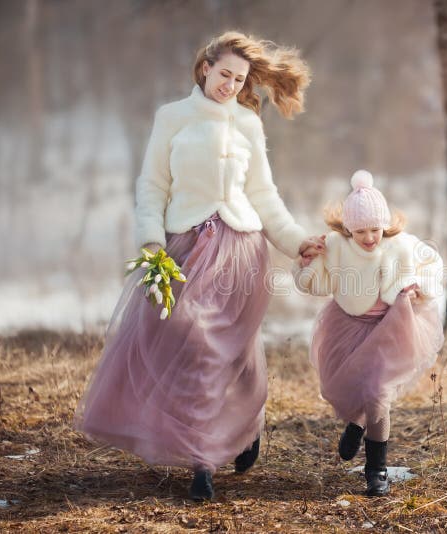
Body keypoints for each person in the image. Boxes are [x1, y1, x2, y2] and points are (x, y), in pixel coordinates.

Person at [73, 30, 323, 502]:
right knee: (195, 343)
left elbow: (264, 195)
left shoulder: (248, 123)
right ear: (206, 68)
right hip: (184, 249)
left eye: (239, 79)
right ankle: (208, 448)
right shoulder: (172, 117)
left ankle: (217, 450)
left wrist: (295, 242)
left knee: (234, 348)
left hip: (242, 250)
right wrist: (152, 242)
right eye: (224, 74)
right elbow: (152, 186)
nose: (230, 85)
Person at [293, 170, 445, 496]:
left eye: (375, 229)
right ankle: (356, 422)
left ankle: (376, 469)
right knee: (341, 387)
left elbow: (432, 264)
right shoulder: (336, 246)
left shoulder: (401, 243)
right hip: (347, 325)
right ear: (348, 228)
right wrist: (307, 265)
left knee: (378, 393)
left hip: (390, 326)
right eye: (360, 231)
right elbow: (316, 283)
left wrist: (421, 288)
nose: (369, 238)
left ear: (384, 225)